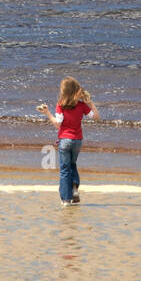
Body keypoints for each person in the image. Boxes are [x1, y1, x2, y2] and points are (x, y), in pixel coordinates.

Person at [36, 77, 99, 207]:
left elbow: (58, 124)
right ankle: (74, 189)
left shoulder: (61, 105)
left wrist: (47, 113)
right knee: (72, 164)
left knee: (65, 170)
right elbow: (96, 117)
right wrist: (90, 103)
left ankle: (66, 199)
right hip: (77, 141)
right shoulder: (81, 105)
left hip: (65, 140)